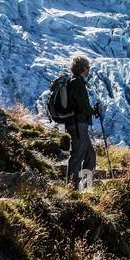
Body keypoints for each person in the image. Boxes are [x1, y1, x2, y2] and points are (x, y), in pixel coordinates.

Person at [49, 55, 102, 190]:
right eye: (88, 67)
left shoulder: (75, 82)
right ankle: (73, 187)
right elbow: (83, 106)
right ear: (83, 68)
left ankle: (85, 187)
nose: (89, 70)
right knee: (77, 154)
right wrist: (94, 111)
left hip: (77, 124)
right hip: (78, 124)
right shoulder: (77, 83)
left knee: (90, 155)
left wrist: (92, 112)